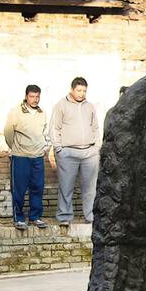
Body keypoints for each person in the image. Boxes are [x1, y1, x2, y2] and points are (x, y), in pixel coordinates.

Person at [50, 76, 101, 227]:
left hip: (89, 153)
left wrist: (96, 147)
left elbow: (95, 127)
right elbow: (54, 128)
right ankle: (64, 216)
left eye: (84, 91)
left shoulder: (90, 106)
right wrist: (59, 148)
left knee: (90, 188)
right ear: (72, 90)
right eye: (79, 90)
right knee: (66, 186)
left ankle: (90, 216)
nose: (81, 94)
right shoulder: (61, 105)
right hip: (68, 153)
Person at [4, 84, 50, 230]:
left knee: (37, 187)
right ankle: (19, 218)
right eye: (32, 96)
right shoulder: (16, 112)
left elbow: (45, 133)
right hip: (21, 157)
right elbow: (8, 132)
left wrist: (44, 148)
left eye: (37, 97)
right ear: (26, 96)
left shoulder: (42, 113)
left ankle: (35, 217)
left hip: (37, 157)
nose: (35, 99)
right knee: (19, 189)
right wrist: (15, 148)